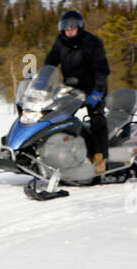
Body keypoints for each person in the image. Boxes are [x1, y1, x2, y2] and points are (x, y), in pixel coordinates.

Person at [43, 10, 111, 176]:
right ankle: (58, 153)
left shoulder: (92, 42)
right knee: (58, 118)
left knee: (97, 120)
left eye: (72, 28)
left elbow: (102, 71)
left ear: (79, 27)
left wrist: (97, 93)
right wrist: (43, 81)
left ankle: (100, 157)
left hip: (93, 88)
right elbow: (50, 63)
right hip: (71, 89)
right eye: (66, 28)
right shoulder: (60, 42)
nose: (69, 31)